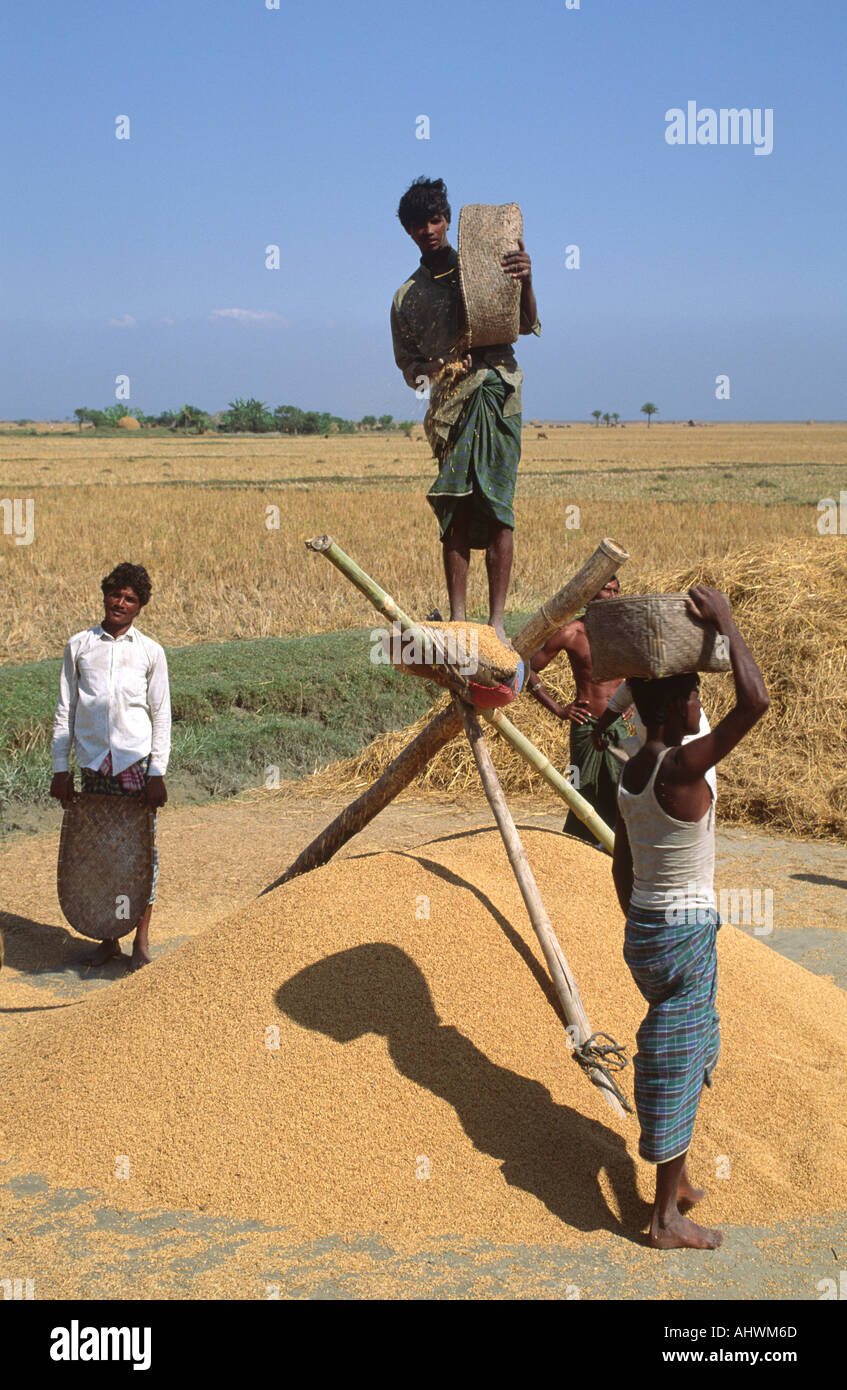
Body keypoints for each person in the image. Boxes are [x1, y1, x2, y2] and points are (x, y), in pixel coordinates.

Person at [611, 585, 769, 1250]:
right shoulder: (682, 767)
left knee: (691, 1040)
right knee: (676, 1059)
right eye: (695, 699)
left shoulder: (632, 769)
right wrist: (728, 624)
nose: (702, 707)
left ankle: (677, 1182)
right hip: (680, 935)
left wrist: (640, 917)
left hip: (645, 932)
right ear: (678, 708)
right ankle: (662, 1219)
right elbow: (754, 702)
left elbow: (621, 862)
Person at [391, 176, 540, 643]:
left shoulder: (487, 266)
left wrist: (527, 276)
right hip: (451, 410)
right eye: (418, 224)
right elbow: (409, 370)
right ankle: (458, 618)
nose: (428, 230)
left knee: (498, 508)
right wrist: (441, 367)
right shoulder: (406, 298)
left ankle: (496, 622)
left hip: (497, 395)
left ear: (448, 220)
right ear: (408, 232)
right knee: (453, 509)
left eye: (435, 219)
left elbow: (525, 322)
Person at [50, 562, 171, 971]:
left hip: (134, 765)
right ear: (105, 595)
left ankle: (141, 940)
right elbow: (66, 710)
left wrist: (157, 773)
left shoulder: (150, 652)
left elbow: (161, 715)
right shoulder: (80, 646)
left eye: (130, 599)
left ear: (140, 607)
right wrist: (59, 768)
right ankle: (107, 939)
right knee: (100, 854)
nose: (121, 603)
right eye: (115, 594)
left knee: (139, 855)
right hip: (92, 766)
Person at [525, 574, 623, 842]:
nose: (613, 597)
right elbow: (528, 668)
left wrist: (632, 703)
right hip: (585, 723)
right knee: (581, 789)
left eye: (616, 591)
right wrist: (558, 709)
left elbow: (641, 670)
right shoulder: (572, 632)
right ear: (591, 596)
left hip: (617, 725)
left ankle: (618, 846)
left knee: (622, 788)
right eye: (606, 591)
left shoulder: (623, 629)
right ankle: (578, 847)